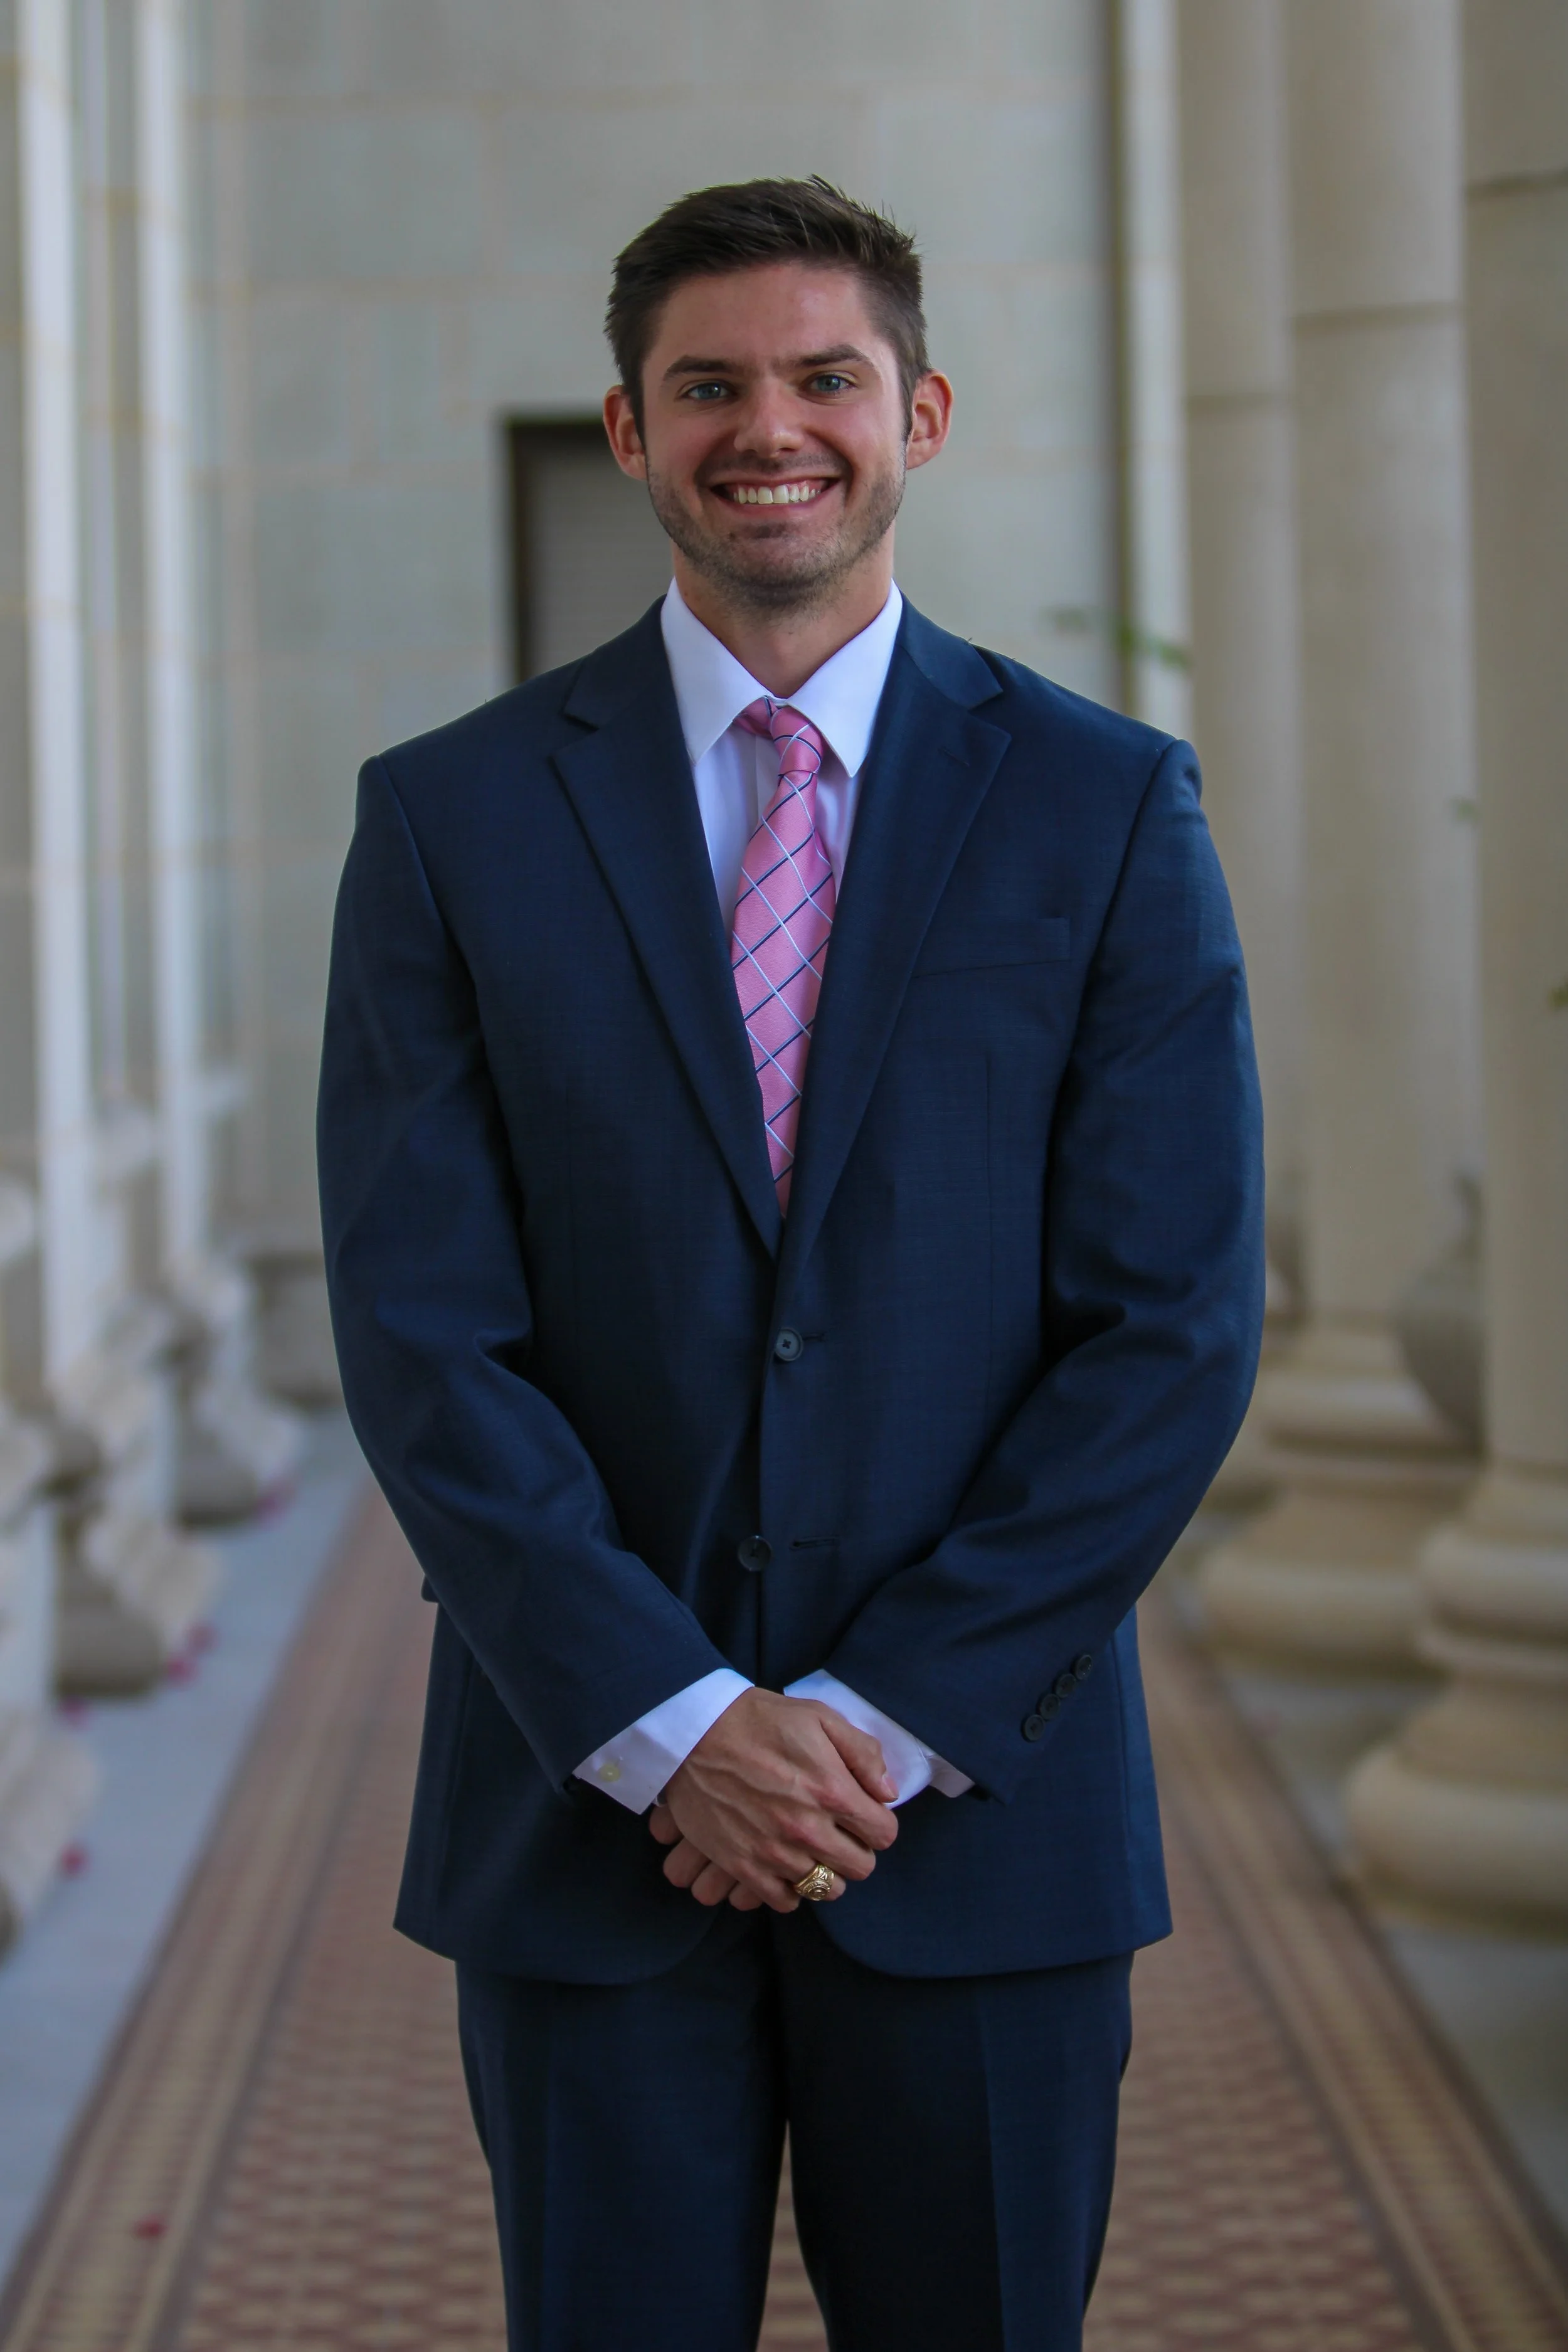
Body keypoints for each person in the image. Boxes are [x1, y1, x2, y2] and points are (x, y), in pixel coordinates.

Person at [318, 176, 1263, 2352]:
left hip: (978, 1816)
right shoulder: (450, 818)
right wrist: (667, 1724)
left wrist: (866, 1717)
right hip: (587, 1819)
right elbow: (419, 1325)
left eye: (825, 376)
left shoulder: (1105, 808)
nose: (774, 426)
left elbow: (1172, 1324)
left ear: (916, 410)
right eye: (710, 384)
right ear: (633, 431)